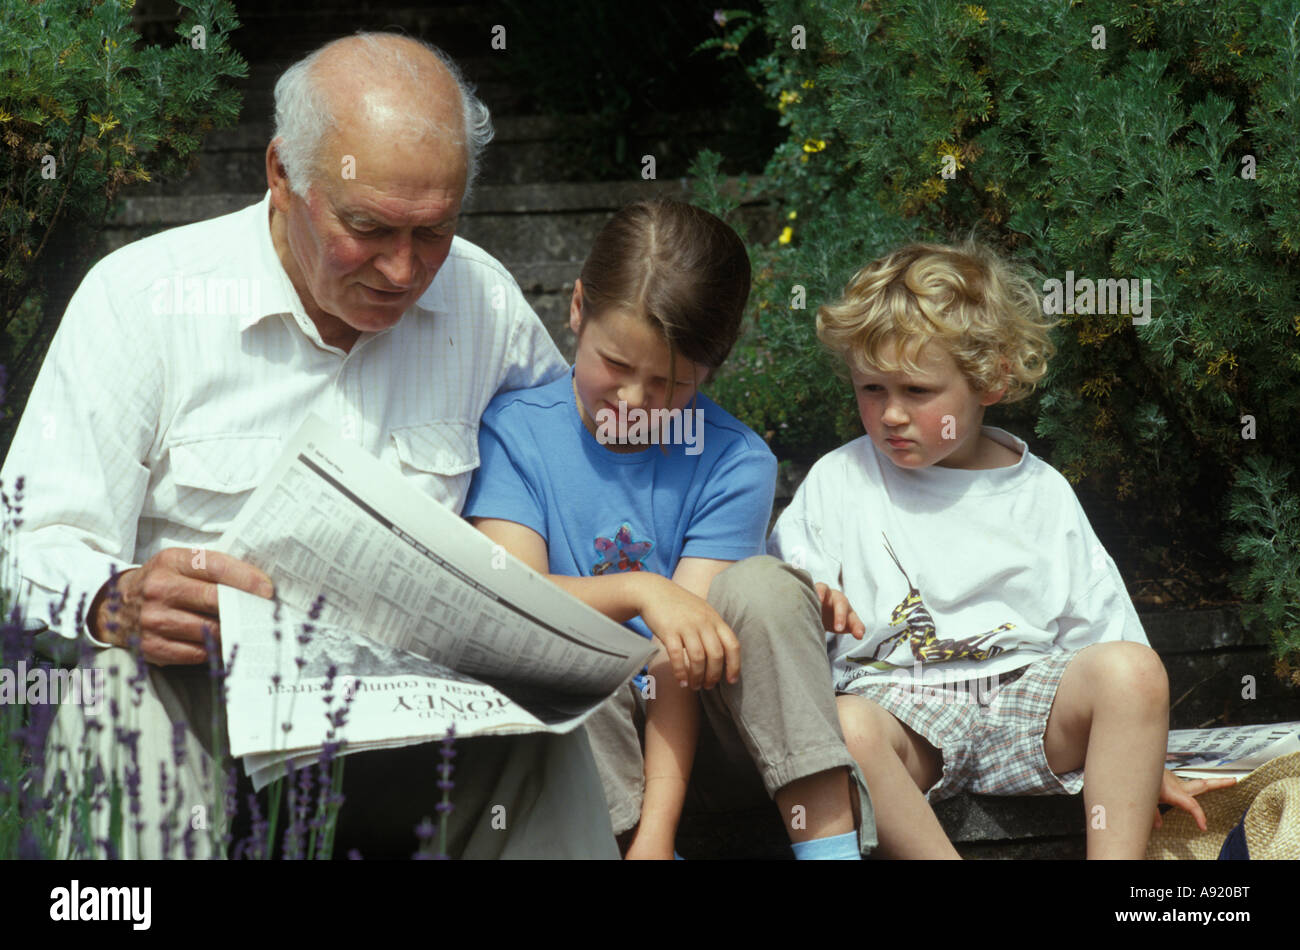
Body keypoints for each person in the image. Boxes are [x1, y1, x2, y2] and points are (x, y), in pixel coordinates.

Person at [1, 32, 617, 859]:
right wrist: (110, 599)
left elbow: (567, 484)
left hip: (410, 725)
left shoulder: (484, 302)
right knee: (113, 701)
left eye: (433, 232)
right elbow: (24, 544)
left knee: (548, 740)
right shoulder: (141, 303)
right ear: (283, 176)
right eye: (368, 228)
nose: (403, 270)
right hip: (199, 720)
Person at [768, 240, 1234, 859]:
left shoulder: (1036, 487)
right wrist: (813, 595)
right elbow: (790, 587)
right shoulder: (839, 479)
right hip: (900, 710)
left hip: (1027, 702)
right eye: (872, 388)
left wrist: (1143, 762)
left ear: (989, 380)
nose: (891, 414)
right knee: (846, 727)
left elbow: (1101, 624)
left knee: (1134, 671)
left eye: (917, 390)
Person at [463, 199, 875, 859]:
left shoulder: (734, 461)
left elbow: (681, 660)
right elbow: (518, 603)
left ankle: (829, 850)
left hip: (722, 741)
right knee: (565, 648)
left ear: (711, 372)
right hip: (591, 752)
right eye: (616, 366)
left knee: (765, 586)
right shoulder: (516, 433)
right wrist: (638, 590)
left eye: (668, 384)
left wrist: (661, 825)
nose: (632, 401)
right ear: (576, 309)